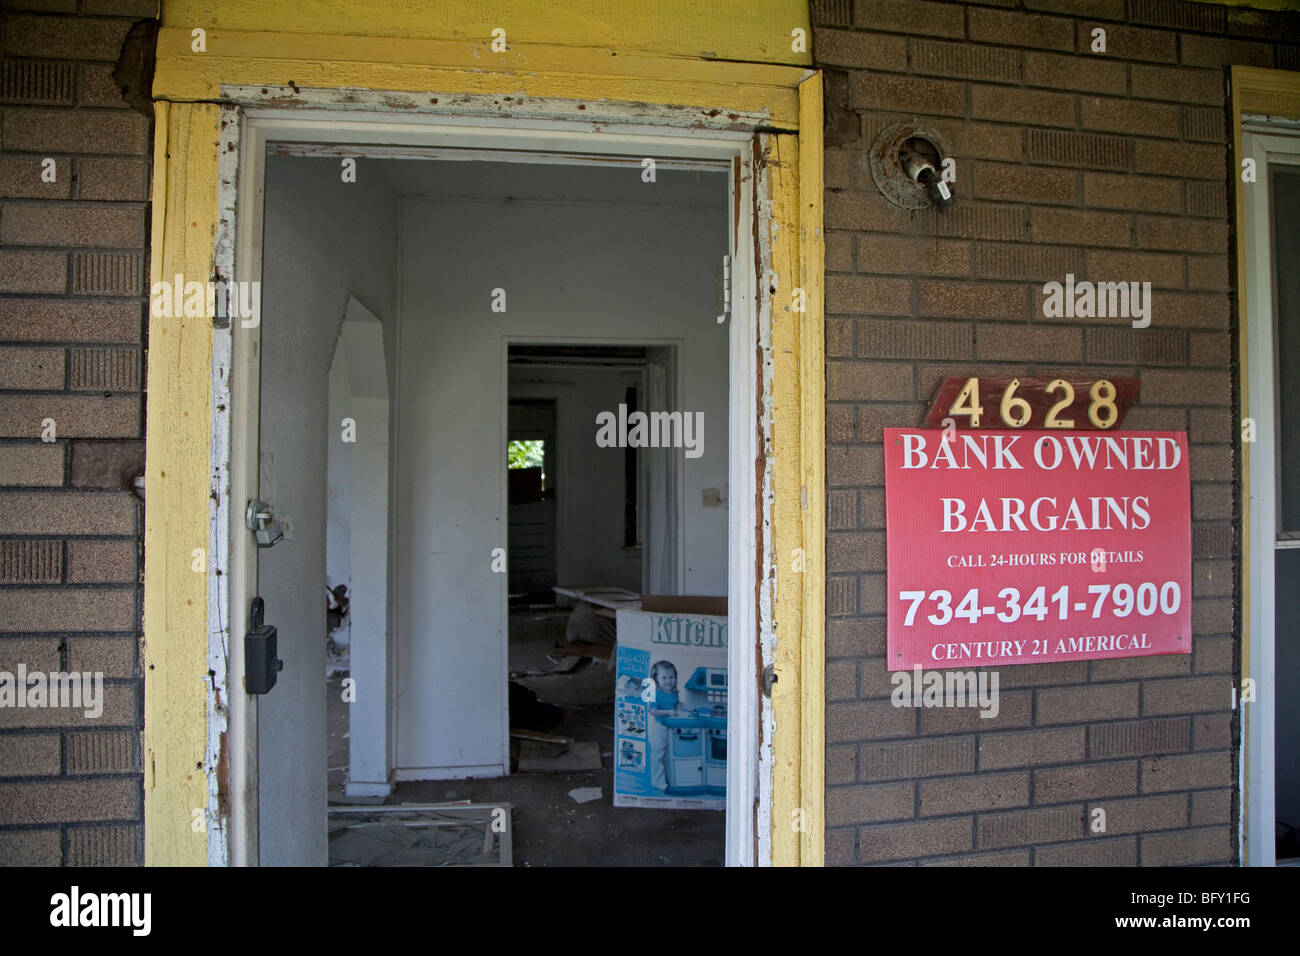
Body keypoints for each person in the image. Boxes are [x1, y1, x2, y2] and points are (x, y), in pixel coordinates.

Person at [647, 660, 684, 791]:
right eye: (664, 678)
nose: (668, 681)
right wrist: (668, 711)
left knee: (670, 754)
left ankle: (669, 779)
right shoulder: (657, 694)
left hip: (670, 728)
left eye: (671, 677)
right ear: (656, 678)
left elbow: (675, 705)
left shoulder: (674, 692)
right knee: (658, 755)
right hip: (659, 728)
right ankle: (657, 782)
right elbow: (652, 711)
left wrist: (679, 706)